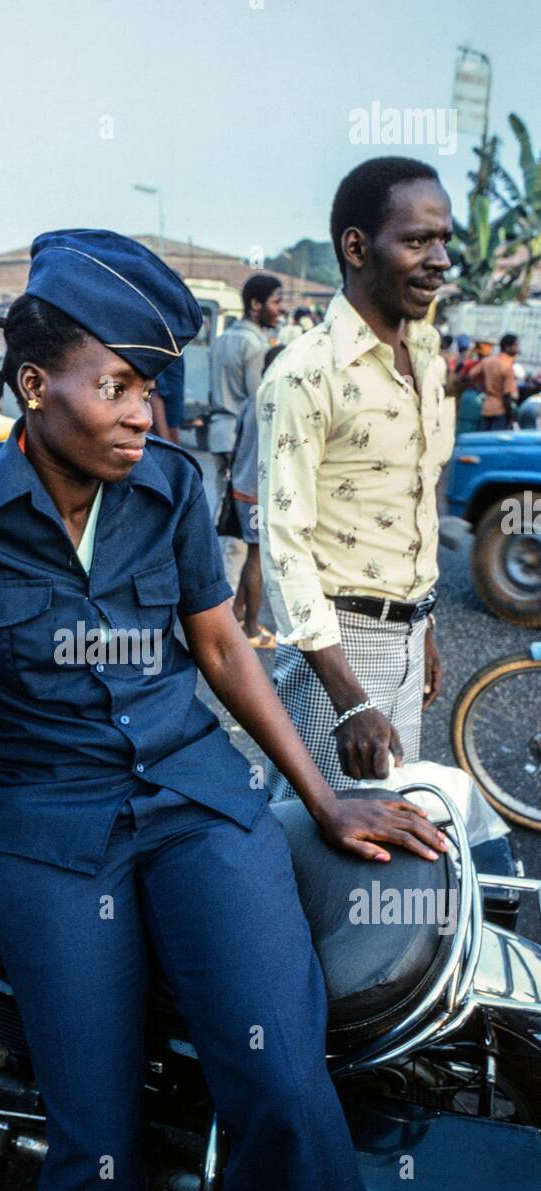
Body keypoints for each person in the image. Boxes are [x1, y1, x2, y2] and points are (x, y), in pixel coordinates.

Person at [0, 227, 446, 1191]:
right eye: (115, 385)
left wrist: (324, 796)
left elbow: (219, 647)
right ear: (34, 385)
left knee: (286, 1087)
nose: (142, 413)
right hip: (48, 829)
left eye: (149, 388)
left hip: (197, 803)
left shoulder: (169, 484)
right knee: (93, 1132)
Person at [258, 156, 454, 802]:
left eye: (443, 240)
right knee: (322, 846)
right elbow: (285, 547)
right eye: (416, 240)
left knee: (390, 836)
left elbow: (416, 501)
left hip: (406, 637)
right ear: (355, 247)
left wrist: (421, 624)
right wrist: (346, 700)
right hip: (336, 653)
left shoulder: (425, 359)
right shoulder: (304, 373)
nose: (439, 260)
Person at [228, 344, 285, 646]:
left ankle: (238, 611)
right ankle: (250, 628)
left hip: (241, 488)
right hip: (257, 495)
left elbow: (236, 444)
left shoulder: (253, 399)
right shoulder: (278, 403)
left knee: (253, 551)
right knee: (257, 557)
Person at [209, 273, 283, 469]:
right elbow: (259, 399)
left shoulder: (222, 338)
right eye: (275, 302)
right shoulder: (255, 344)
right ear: (256, 304)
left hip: (219, 435)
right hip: (242, 439)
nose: (280, 309)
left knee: (222, 499)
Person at [469, 333, 520, 431]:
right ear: (507, 347)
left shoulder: (488, 361)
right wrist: (510, 417)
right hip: (500, 411)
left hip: (486, 408)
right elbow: (507, 396)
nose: (517, 349)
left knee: (483, 441)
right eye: (515, 345)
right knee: (494, 443)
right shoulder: (507, 367)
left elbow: (471, 375)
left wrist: (481, 389)